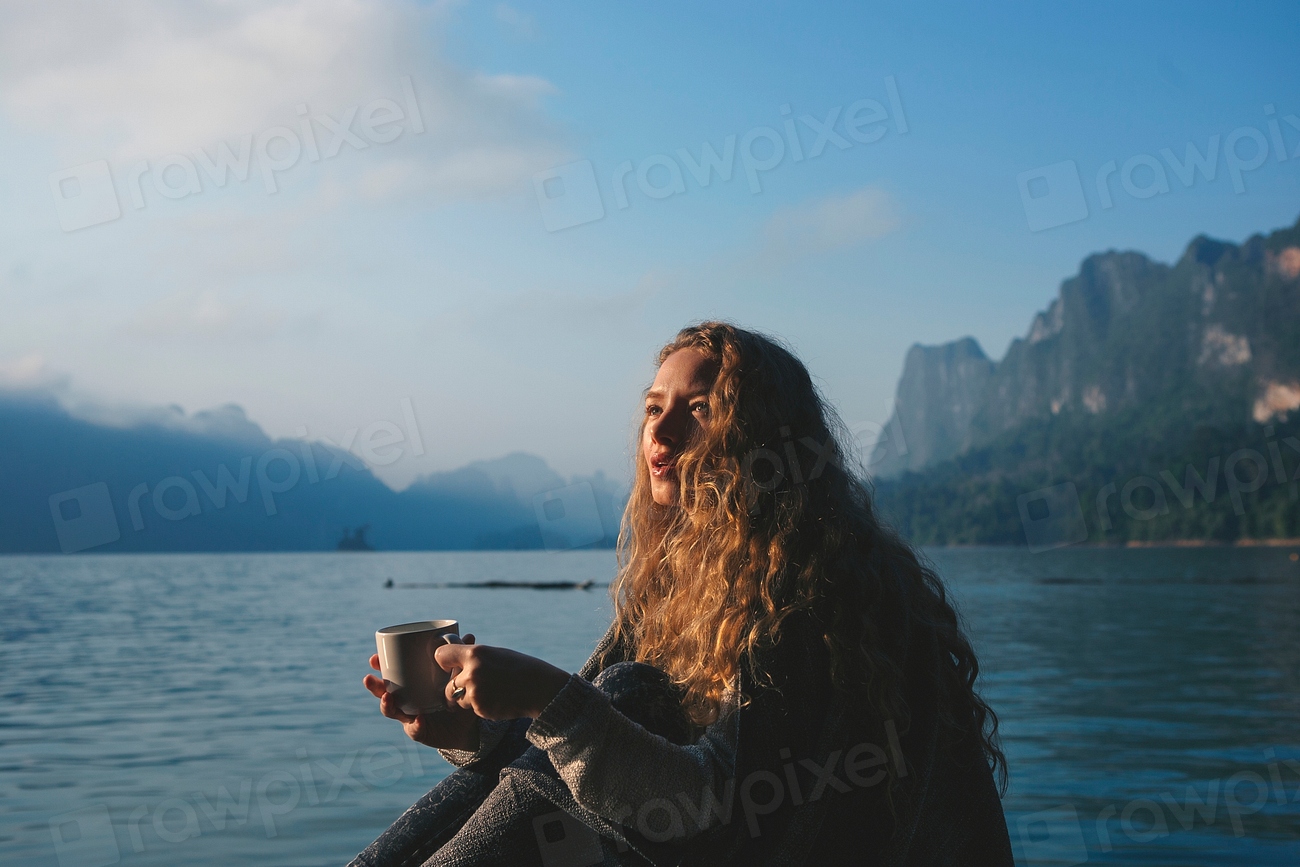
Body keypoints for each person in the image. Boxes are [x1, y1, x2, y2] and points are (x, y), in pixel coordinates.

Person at [349, 322, 1014, 866]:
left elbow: (718, 814)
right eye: (653, 408)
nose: (660, 435)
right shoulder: (674, 582)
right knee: (614, 700)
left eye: (699, 411)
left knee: (626, 695)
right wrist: (471, 732)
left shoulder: (817, 599)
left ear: (762, 439)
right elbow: (562, 756)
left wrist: (549, 696)